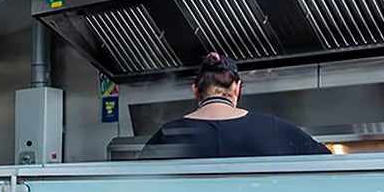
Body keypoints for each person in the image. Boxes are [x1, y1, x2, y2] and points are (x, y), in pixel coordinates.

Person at [140, 52, 330, 159]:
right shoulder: (274, 128)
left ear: (195, 90)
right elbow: (326, 163)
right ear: (237, 88)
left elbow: (137, 188)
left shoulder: (168, 134)